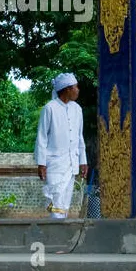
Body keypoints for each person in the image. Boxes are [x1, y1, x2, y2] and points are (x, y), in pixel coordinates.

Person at [34, 72, 88, 220]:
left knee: (64, 203)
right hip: (54, 164)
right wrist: (41, 163)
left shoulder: (77, 109)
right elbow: (42, 137)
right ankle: (55, 234)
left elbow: (79, 137)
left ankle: (60, 234)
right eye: (75, 87)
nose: (78, 90)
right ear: (67, 89)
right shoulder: (49, 108)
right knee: (55, 200)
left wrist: (83, 161)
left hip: (71, 164)